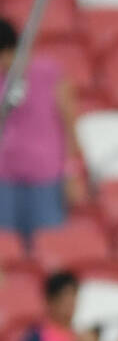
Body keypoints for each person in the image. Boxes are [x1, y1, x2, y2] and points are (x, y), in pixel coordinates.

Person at [0, 18, 84, 244]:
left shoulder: (49, 73)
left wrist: (72, 171)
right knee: (6, 250)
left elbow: (69, 123)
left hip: (45, 178)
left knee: (47, 248)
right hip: (5, 178)